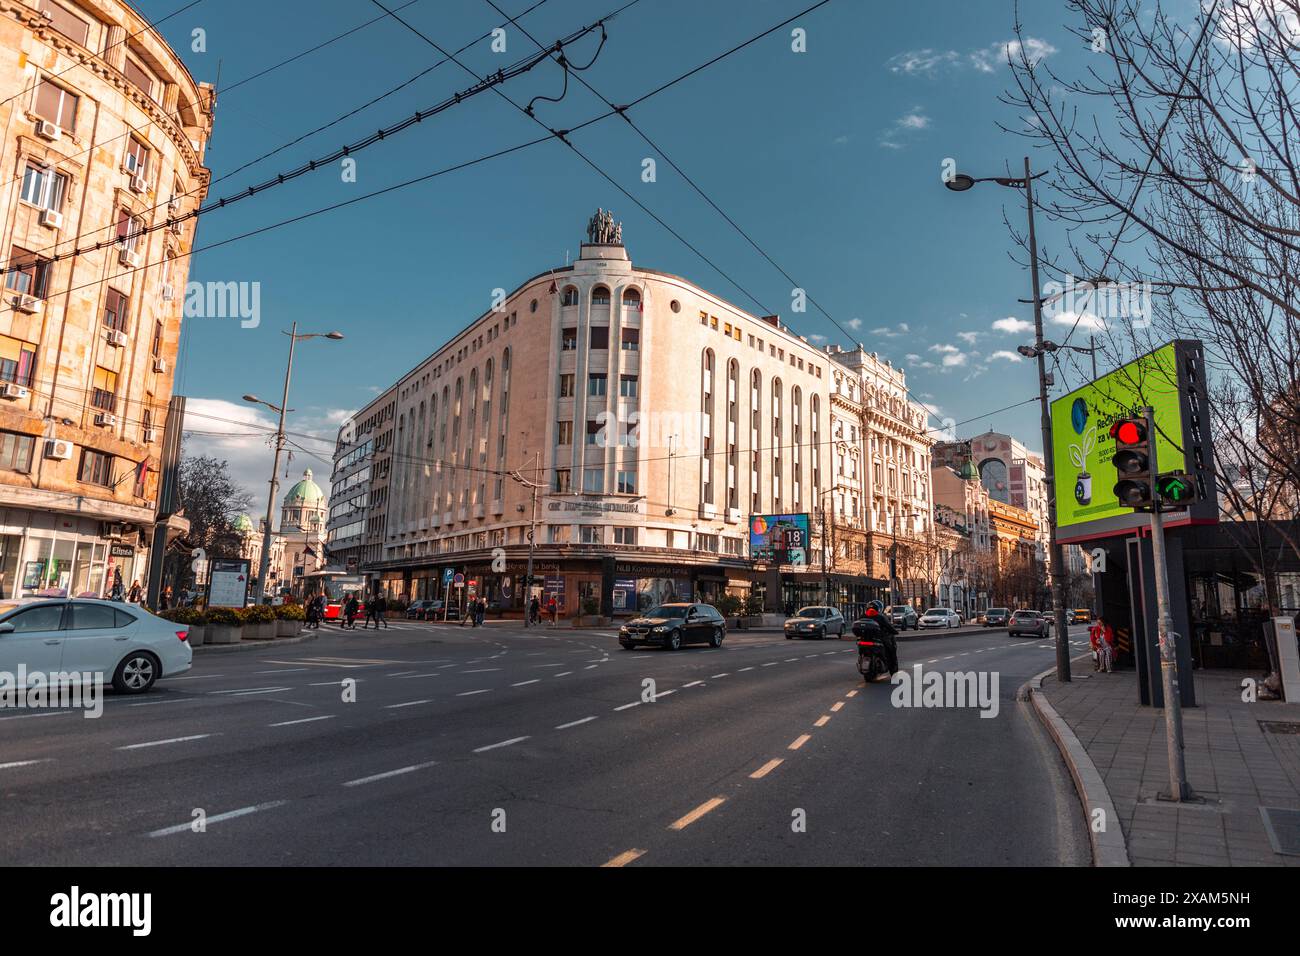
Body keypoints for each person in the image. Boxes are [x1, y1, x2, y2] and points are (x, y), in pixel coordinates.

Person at [861, 601, 899, 675]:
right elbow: (888, 626)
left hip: (864, 639)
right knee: (891, 650)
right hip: (879, 639)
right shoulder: (880, 617)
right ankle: (893, 671)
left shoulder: (863, 616)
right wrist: (895, 631)